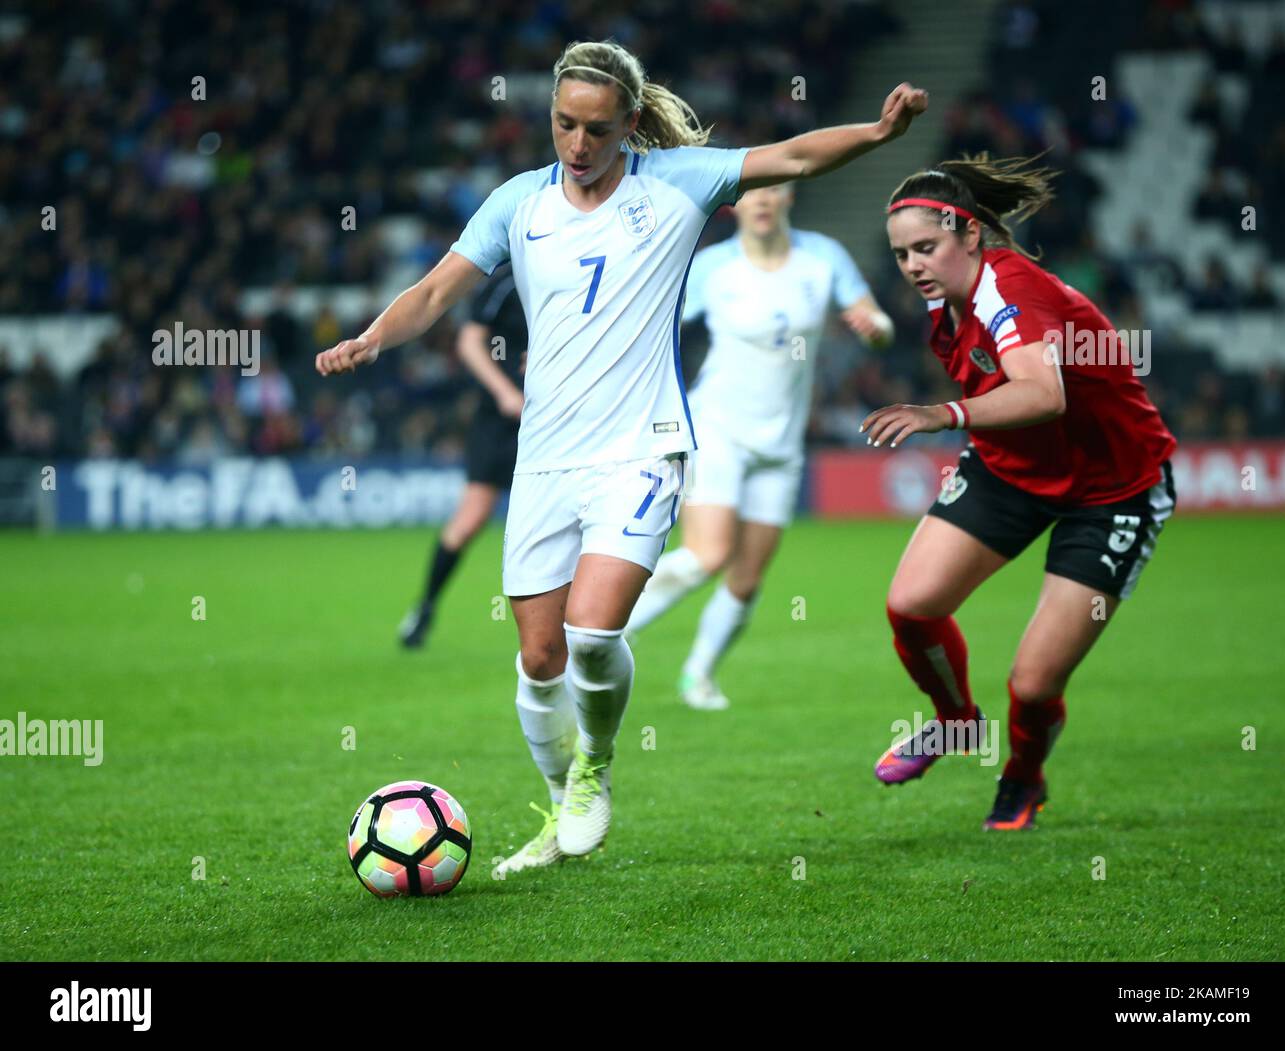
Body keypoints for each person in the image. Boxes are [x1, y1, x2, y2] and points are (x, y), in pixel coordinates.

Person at [317, 38, 927, 875]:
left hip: (641, 449)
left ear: (630, 124)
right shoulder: (517, 204)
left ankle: (596, 768)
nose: (576, 146)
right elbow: (432, 293)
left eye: (596, 130)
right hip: (544, 459)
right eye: (564, 124)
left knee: (592, 631)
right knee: (538, 658)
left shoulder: (679, 183)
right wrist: (372, 339)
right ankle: (559, 792)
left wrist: (879, 135)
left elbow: (789, 154)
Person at [862, 154, 1177, 830]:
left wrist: (940, 415)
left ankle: (1024, 778)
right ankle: (957, 723)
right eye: (901, 254)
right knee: (912, 605)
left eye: (927, 247)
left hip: (1113, 488)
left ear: (970, 236)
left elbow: (1042, 392)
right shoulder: (944, 308)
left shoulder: (1010, 289)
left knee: (1033, 683)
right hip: (1011, 469)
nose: (914, 265)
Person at [625, 182, 894, 709]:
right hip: (716, 429)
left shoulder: (822, 257)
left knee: (746, 578)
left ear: (790, 196)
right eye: (753, 192)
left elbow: (877, 322)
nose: (764, 200)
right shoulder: (713, 268)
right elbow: (653, 325)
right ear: (736, 204)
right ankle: (603, 631)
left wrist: (875, 327)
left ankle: (697, 676)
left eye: (774, 190)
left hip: (782, 444)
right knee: (708, 555)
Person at [399, 262, 526, 648]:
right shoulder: (507, 281)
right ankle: (425, 607)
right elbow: (469, 343)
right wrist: (505, 392)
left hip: (559, 415)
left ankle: (592, 624)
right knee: (470, 520)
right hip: (502, 419)